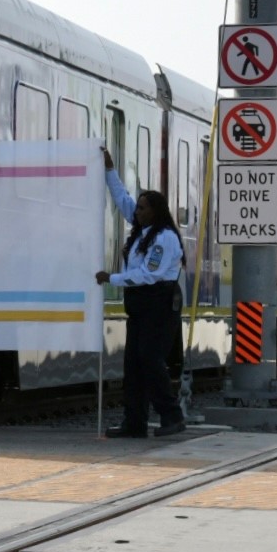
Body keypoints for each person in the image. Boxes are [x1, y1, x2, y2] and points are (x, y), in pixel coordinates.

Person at [95, 148, 185, 439]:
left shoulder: (164, 239)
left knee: (150, 358)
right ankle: (134, 422)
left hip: (159, 303)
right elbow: (122, 200)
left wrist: (112, 278)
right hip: (141, 305)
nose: (138, 211)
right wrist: (109, 171)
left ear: (155, 212)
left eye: (144, 208)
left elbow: (150, 274)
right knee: (133, 363)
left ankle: (171, 415)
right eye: (139, 208)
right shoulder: (143, 231)